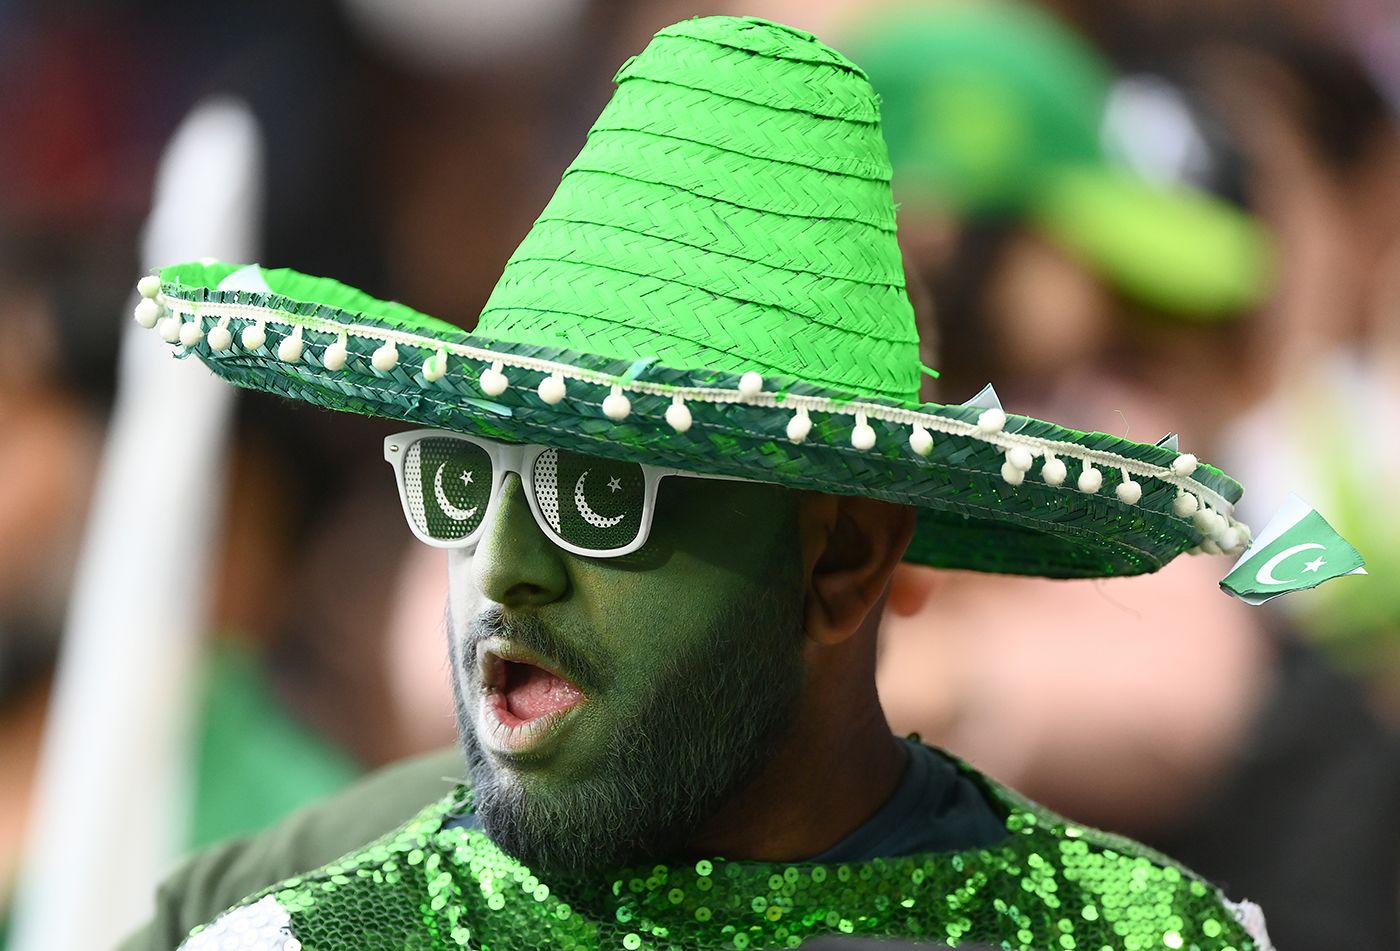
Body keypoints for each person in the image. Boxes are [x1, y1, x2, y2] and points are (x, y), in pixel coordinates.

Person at [120, 16, 1276, 950]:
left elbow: (1167, 693)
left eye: (606, 497)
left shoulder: (1137, 932)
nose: (501, 574)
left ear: (843, 556)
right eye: (467, 483)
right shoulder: (311, 935)